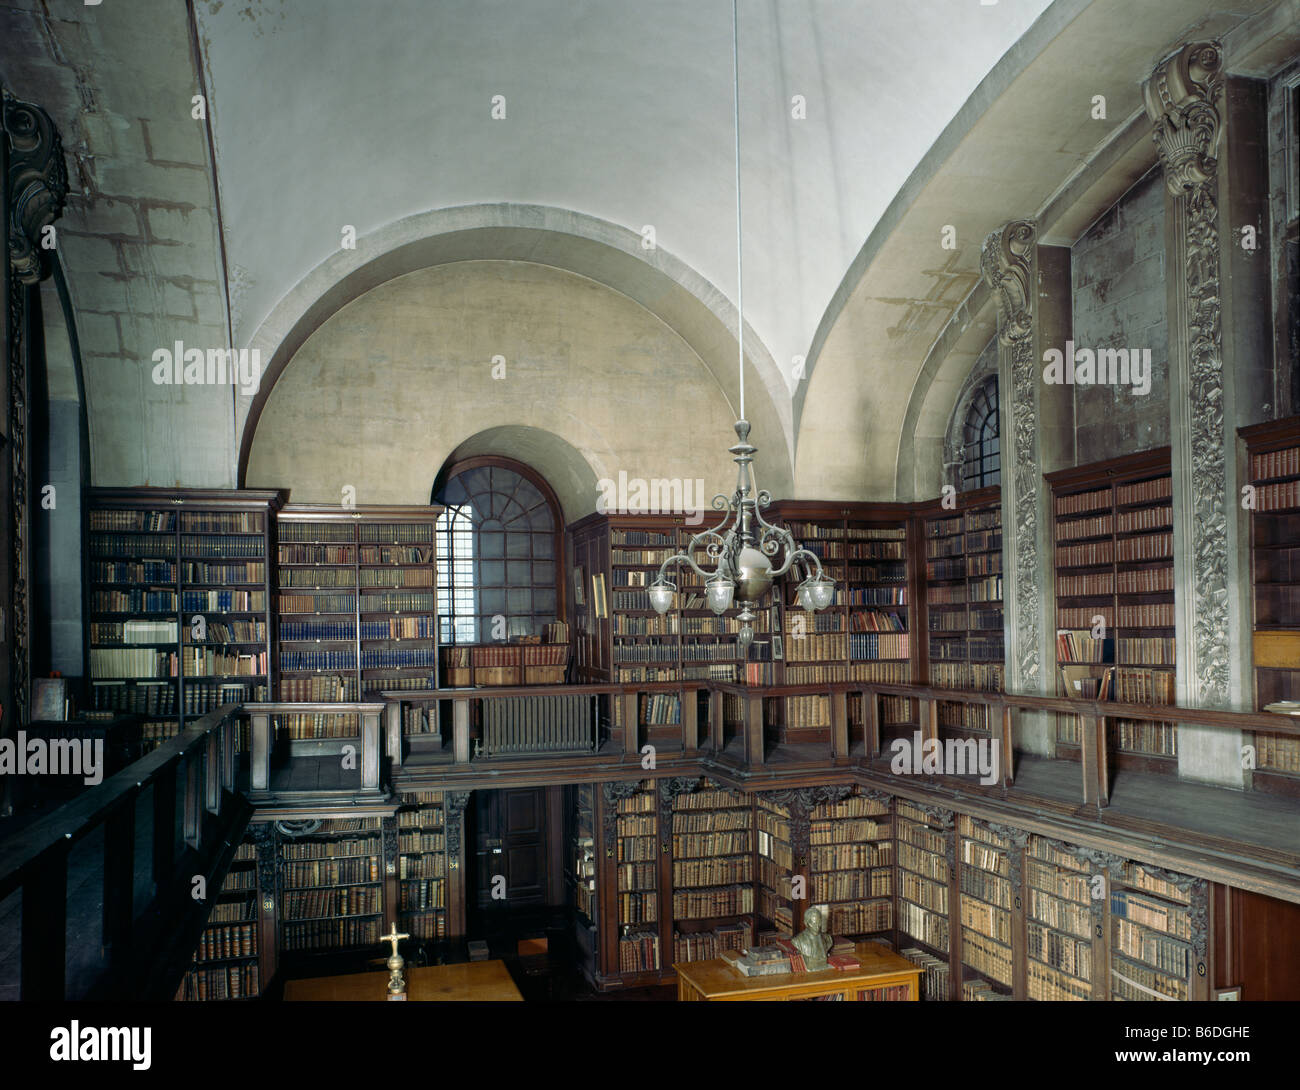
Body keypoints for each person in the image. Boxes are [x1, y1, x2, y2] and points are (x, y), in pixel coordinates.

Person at [791, 905, 832, 970]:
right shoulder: (797, 941)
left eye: (819, 922)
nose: (817, 926)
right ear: (806, 923)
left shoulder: (827, 938)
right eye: (814, 923)